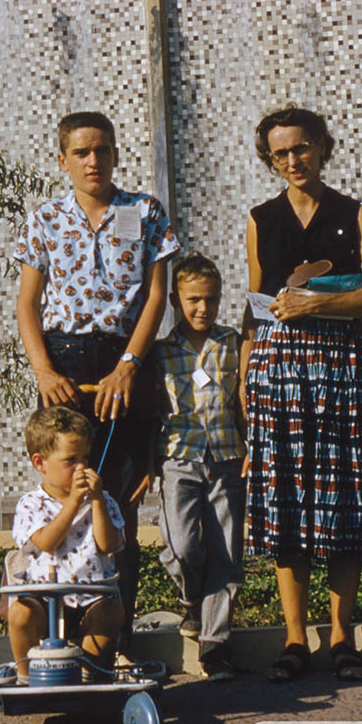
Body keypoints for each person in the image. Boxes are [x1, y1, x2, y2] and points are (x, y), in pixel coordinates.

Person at [242, 106, 362, 683]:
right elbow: (255, 306)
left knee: (344, 497)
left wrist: (317, 304)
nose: (293, 160)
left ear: (320, 146)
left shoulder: (352, 211)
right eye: (281, 153)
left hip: (343, 366)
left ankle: (342, 635)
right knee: (287, 498)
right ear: (270, 160)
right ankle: (295, 637)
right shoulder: (261, 219)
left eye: (301, 148)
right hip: (280, 370)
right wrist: (244, 383)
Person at [15, 112, 179, 659]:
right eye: (82, 152)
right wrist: (44, 370)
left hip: (123, 362)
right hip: (64, 364)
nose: (93, 161)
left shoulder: (145, 212)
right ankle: (58, 643)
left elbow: (156, 296)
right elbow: (27, 304)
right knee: (65, 492)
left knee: (116, 503)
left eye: (102, 150)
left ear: (115, 154)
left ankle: (112, 644)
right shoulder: (45, 219)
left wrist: (130, 363)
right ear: (62, 159)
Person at [149, 253, 246, 681]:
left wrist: (251, 446)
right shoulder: (161, 352)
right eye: (193, 300)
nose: (203, 308)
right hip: (179, 459)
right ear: (175, 301)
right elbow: (153, 409)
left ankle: (216, 645)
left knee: (226, 553)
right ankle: (191, 601)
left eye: (211, 299)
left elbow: (242, 399)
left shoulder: (232, 343)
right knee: (184, 547)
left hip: (226, 457)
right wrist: (150, 462)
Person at [6, 406, 126, 681]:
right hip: (44, 598)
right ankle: (26, 676)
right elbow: (45, 542)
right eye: (71, 460)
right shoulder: (31, 504)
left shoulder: (103, 500)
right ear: (40, 463)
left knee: (112, 612)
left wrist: (96, 500)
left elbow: (108, 545)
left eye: (85, 458)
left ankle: (83, 670)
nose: (82, 467)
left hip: (91, 596)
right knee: (20, 614)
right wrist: (72, 503)